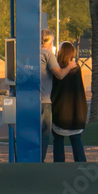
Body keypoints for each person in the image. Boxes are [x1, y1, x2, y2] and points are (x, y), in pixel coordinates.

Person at [51, 41, 88, 162]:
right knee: (76, 138)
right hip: (75, 111)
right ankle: (81, 163)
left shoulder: (56, 69)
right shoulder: (75, 69)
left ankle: (58, 165)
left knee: (58, 140)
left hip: (59, 110)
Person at [41, 29, 74, 162]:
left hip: (30, 100)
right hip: (44, 100)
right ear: (50, 40)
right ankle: (40, 160)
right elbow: (59, 74)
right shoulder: (48, 54)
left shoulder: (32, 54)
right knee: (45, 133)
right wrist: (70, 66)